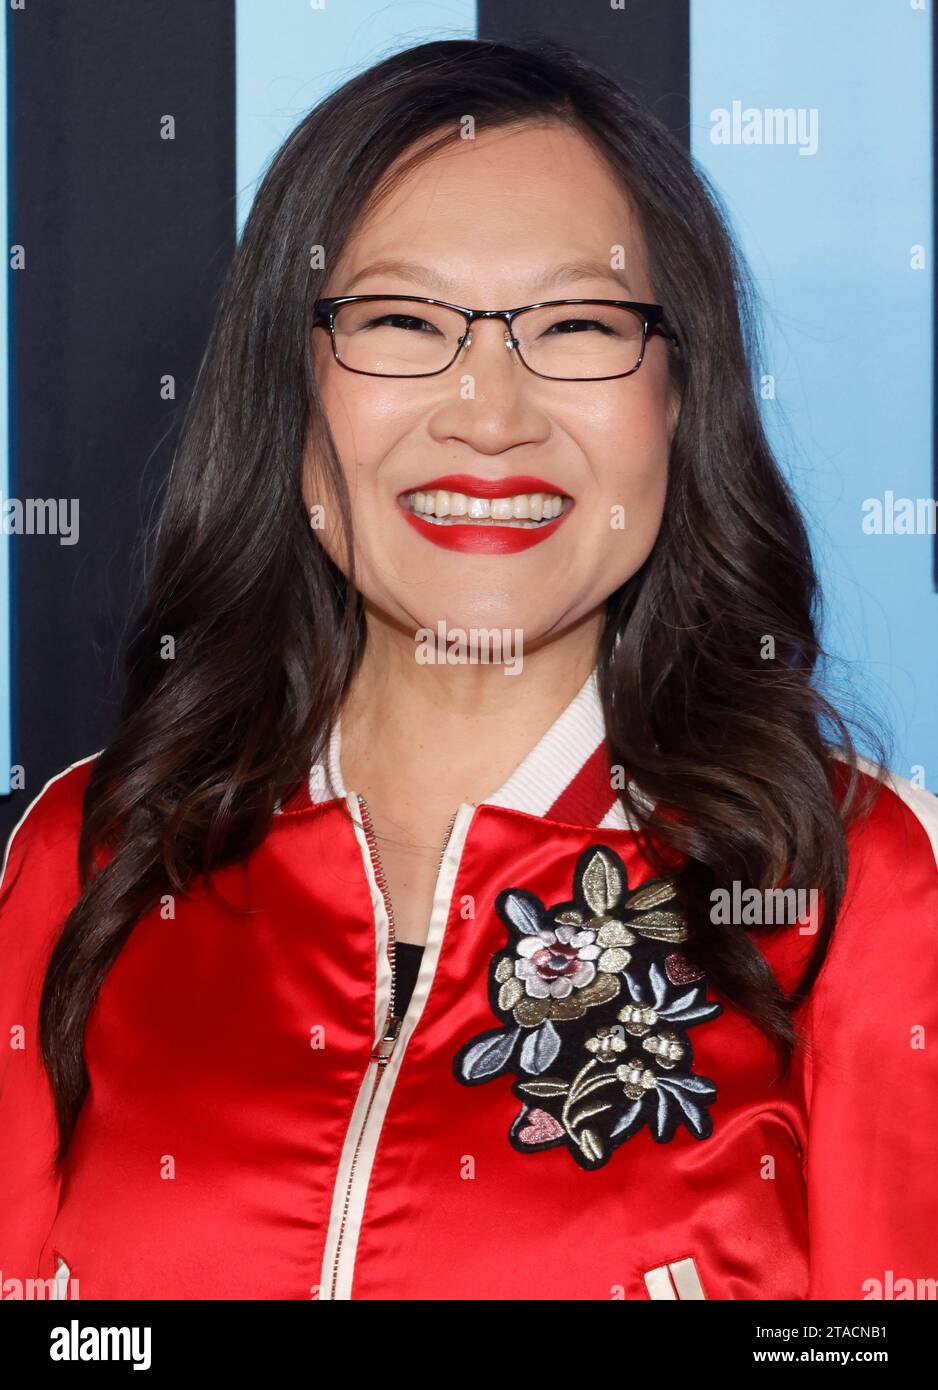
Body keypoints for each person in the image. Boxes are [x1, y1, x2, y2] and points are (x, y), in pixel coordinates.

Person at [1, 37, 936, 1303]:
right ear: (290, 391)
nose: (488, 413)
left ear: (675, 398)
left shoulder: (855, 883)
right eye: (398, 321)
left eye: (576, 323)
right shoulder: (90, 856)